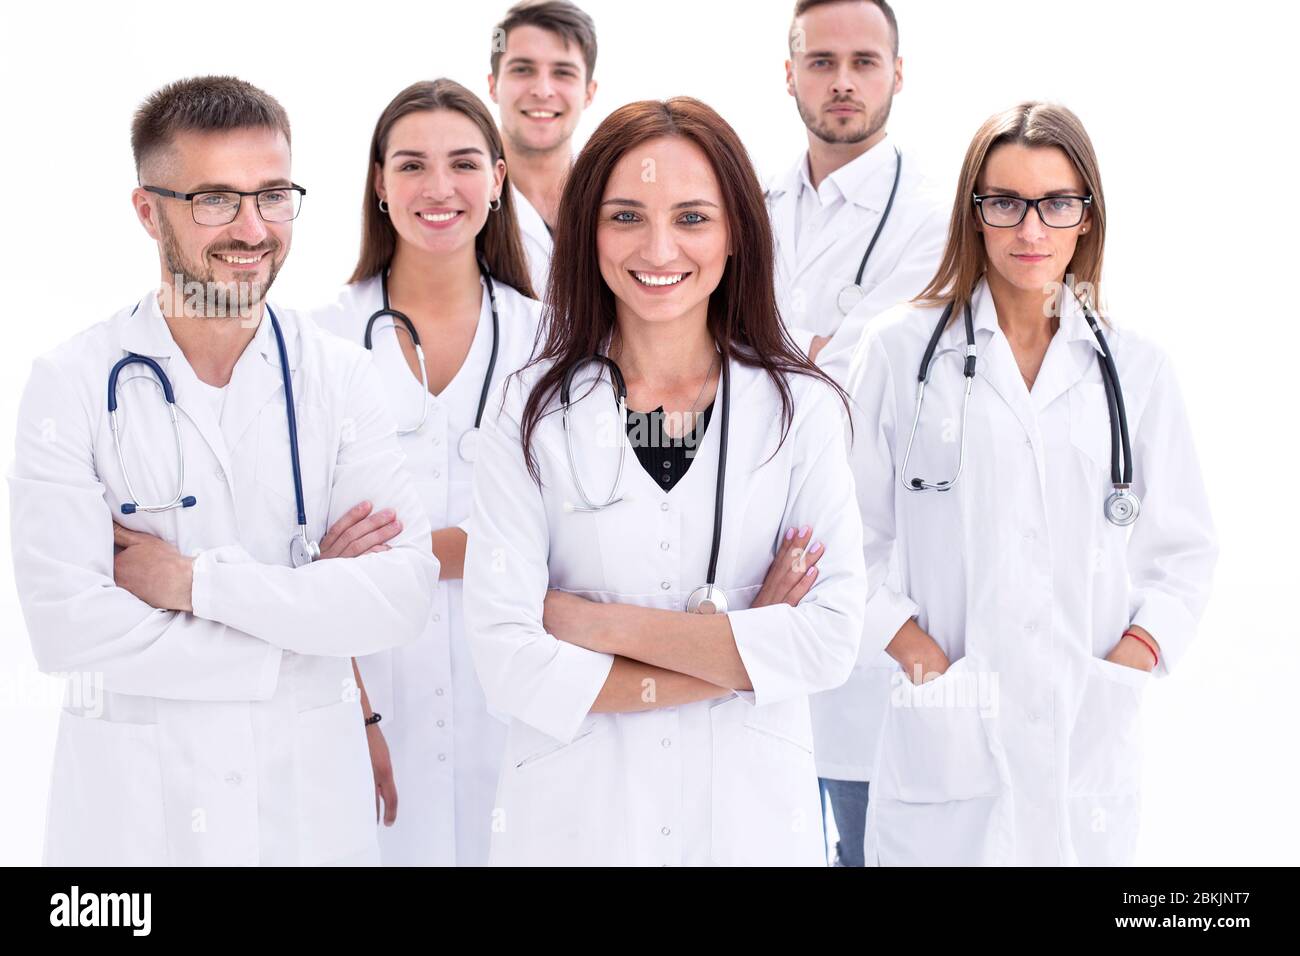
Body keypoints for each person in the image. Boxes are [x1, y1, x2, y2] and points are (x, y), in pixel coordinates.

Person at [8, 76, 439, 866]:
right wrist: (305, 621)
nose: (252, 228)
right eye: (214, 199)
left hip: (310, 811)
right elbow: (68, 626)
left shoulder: (342, 377)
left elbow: (401, 597)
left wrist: (192, 584)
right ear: (149, 211)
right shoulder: (69, 384)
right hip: (140, 826)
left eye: (274, 195)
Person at [462, 97, 867, 866]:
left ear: (736, 231)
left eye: (691, 218)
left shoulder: (800, 408)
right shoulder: (531, 407)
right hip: (579, 826)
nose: (658, 247)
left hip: (748, 825)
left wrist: (590, 623)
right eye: (625, 217)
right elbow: (508, 661)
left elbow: (828, 642)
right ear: (587, 231)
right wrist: (741, 653)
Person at [848, 102, 1217, 866]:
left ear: (1087, 216)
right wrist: (923, 658)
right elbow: (848, 539)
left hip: (1086, 743)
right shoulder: (897, 354)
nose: (1030, 229)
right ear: (973, 213)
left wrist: (1126, 666)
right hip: (945, 745)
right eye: (1005, 202)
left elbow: (1185, 551)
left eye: (1057, 203)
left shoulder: (1138, 369)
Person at [309, 79, 542, 867]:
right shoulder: (317, 345)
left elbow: (580, 544)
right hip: (366, 700)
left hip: (522, 705)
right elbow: (294, 560)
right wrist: (357, 712)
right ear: (379, 184)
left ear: (500, 180)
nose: (438, 189)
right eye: (410, 166)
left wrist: (401, 556)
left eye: (464, 164)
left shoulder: (558, 341)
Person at [767, 0, 948, 864]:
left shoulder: (939, 220)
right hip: (743, 569)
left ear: (898, 74)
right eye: (822, 59)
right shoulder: (743, 203)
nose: (843, 80)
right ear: (790, 70)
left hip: (867, 575)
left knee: (871, 837)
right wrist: (808, 361)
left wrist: (769, 370)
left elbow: (880, 385)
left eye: (865, 62)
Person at [487, 0, 598, 297]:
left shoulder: (613, 197)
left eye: (563, 72)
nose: (542, 90)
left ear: (589, 92)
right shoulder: (458, 202)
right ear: (493, 86)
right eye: (523, 69)